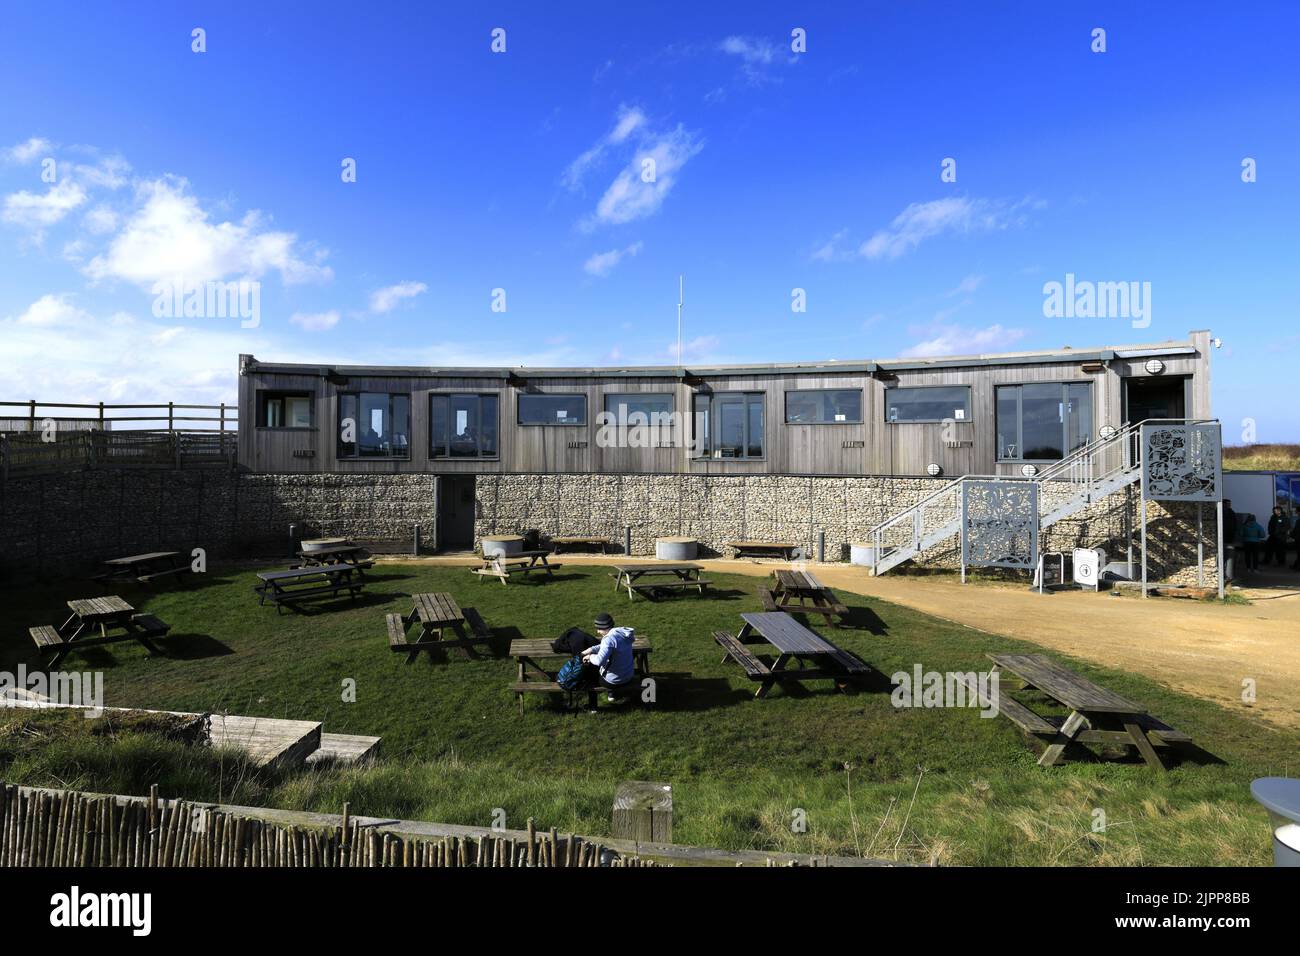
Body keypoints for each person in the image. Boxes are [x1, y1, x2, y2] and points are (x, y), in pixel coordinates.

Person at [581, 612, 636, 702]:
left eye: (599, 628)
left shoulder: (608, 639)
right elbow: (607, 646)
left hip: (613, 681)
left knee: (592, 672)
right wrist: (592, 649)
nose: (597, 631)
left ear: (605, 627)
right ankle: (612, 693)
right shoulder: (621, 633)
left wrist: (589, 657)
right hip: (629, 677)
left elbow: (599, 661)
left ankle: (595, 704)